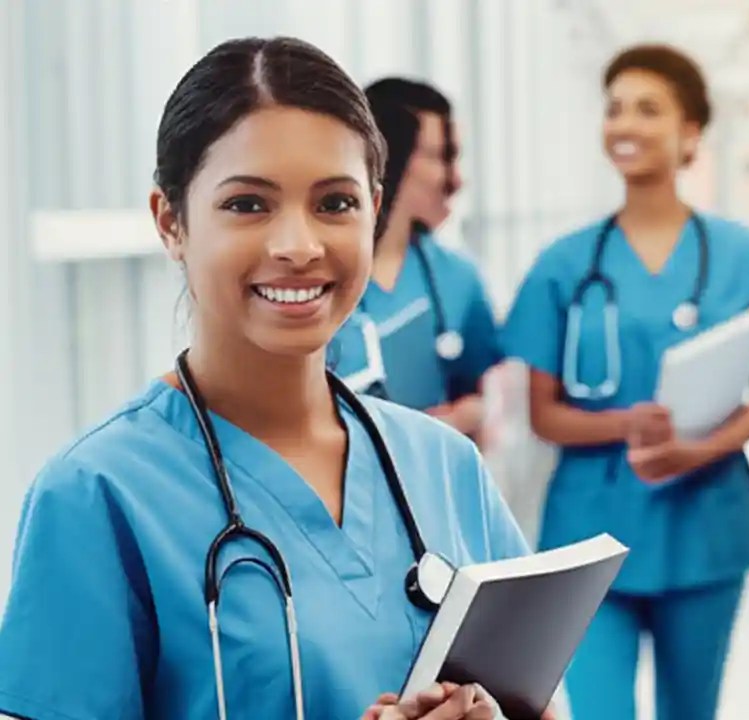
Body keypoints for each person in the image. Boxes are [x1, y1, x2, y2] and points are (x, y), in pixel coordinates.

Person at [0, 37, 551, 720]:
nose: (299, 245)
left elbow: (543, 704)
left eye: (335, 203)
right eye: (248, 205)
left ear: (376, 211)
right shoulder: (98, 496)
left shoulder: (445, 467)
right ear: (171, 221)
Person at [501, 44, 749, 720]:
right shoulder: (565, 263)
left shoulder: (741, 254)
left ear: (690, 132)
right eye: (614, 109)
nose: (625, 124)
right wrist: (626, 426)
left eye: (648, 108)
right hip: (590, 534)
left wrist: (700, 450)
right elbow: (545, 414)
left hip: (707, 523)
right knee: (601, 709)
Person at [328, 77, 502, 440]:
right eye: (443, 156)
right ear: (389, 154)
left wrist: (471, 416)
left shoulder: (458, 279)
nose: (456, 180)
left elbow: (482, 406)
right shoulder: (313, 275)